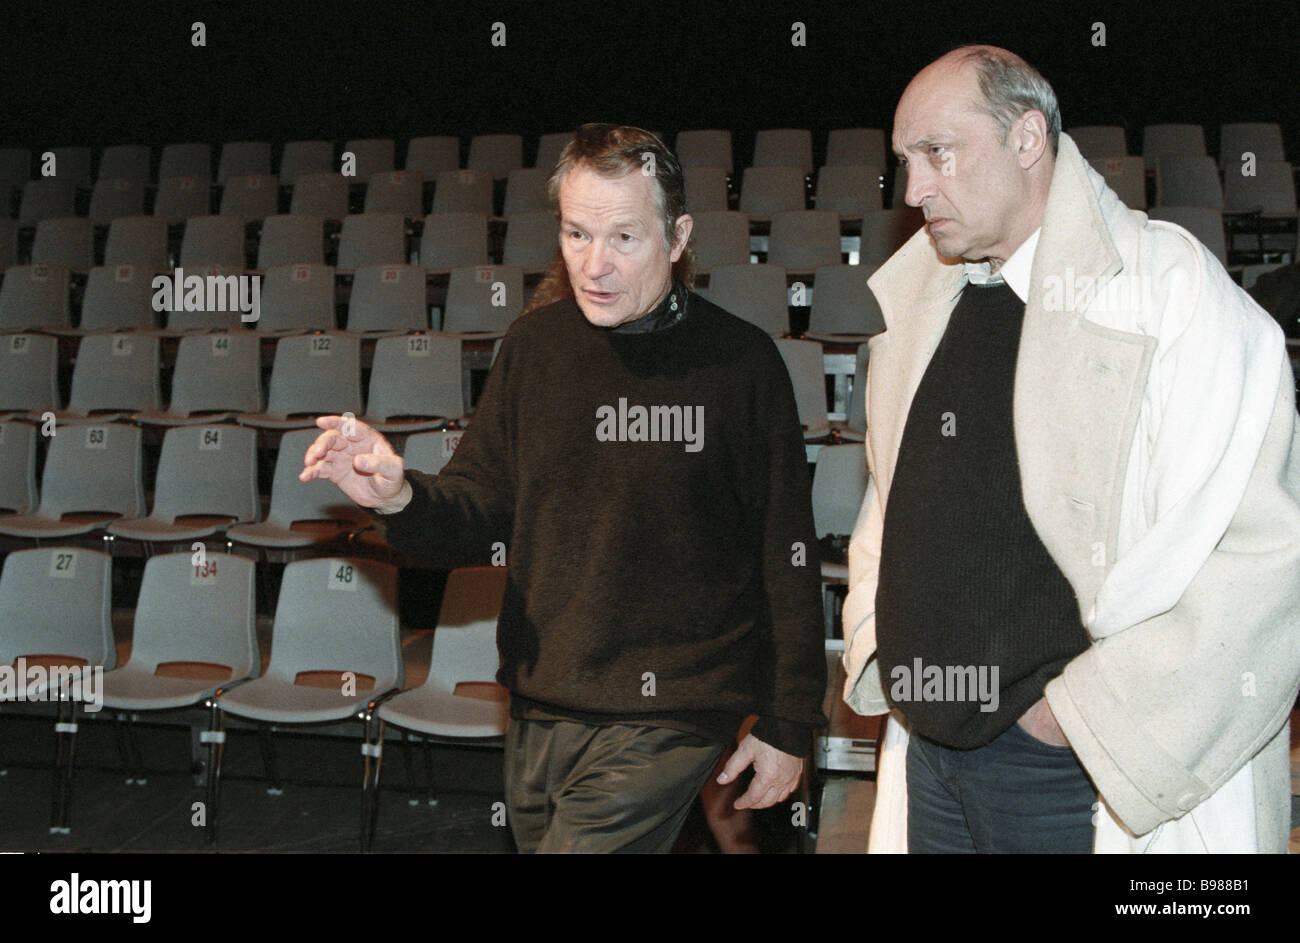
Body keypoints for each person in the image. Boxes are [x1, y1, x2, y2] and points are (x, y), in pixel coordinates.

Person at [302, 124, 826, 853]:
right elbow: (479, 511)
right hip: (541, 701)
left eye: (623, 238)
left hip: (672, 708)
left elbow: (786, 555)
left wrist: (789, 718)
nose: (595, 264)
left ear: (678, 237)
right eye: (577, 233)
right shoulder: (534, 347)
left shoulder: (743, 365)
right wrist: (396, 495)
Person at [842, 45, 1300, 853]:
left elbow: (1263, 555)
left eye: (937, 154)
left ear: (1027, 139)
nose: (913, 191)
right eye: (905, 163)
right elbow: (886, 513)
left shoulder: (1170, 292)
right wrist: (888, 644)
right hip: (930, 755)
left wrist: (1078, 721)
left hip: (1072, 771)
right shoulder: (923, 309)